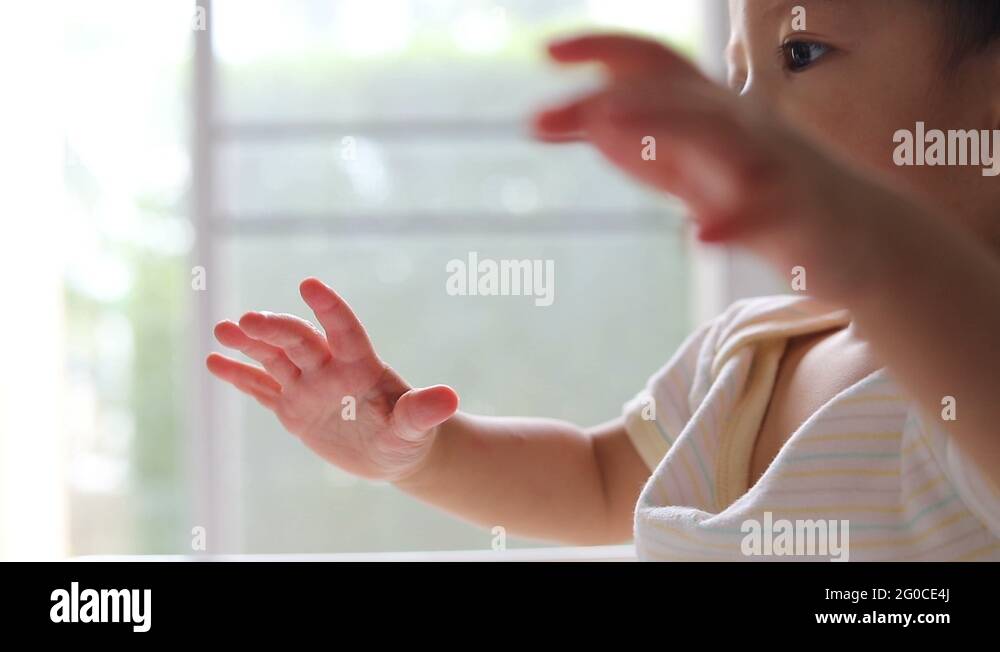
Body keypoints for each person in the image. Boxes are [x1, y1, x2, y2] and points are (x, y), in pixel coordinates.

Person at [207, 0, 1000, 560]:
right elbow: (592, 479)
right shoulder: (747, 350)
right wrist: (419, 455)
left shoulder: (968, 381)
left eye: (800, 51)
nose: (748, 111)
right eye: (738, 77)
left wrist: (874, 247)